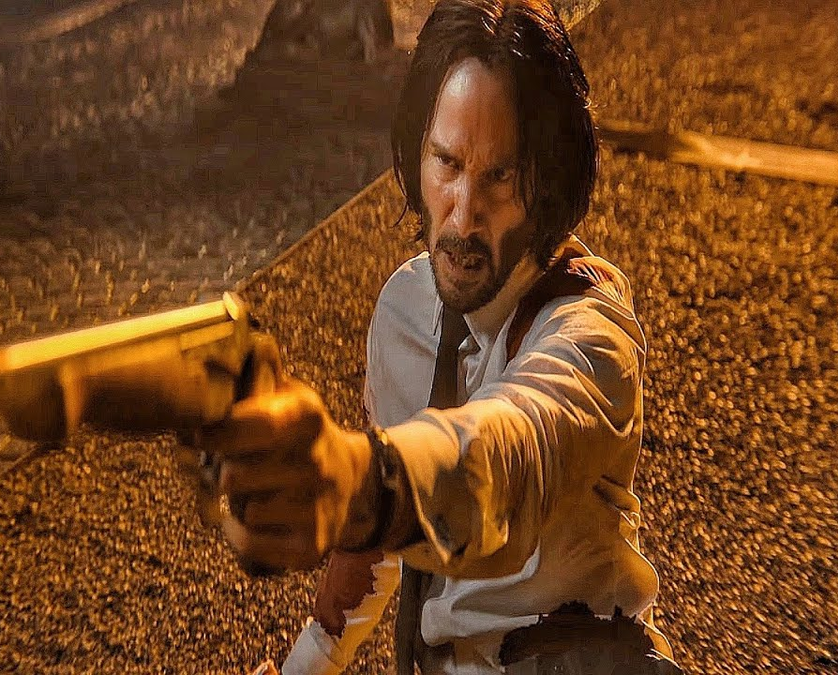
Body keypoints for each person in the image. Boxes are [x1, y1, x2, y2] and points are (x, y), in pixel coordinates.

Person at [190, 0, 680, 672]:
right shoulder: (405, 309)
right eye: (446, 163)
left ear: (549, 183)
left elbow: (503, 453)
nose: (463, 215)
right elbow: (380, 540)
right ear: (415, 155)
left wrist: (361, 476)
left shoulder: (593, 339)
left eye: (501, 177)